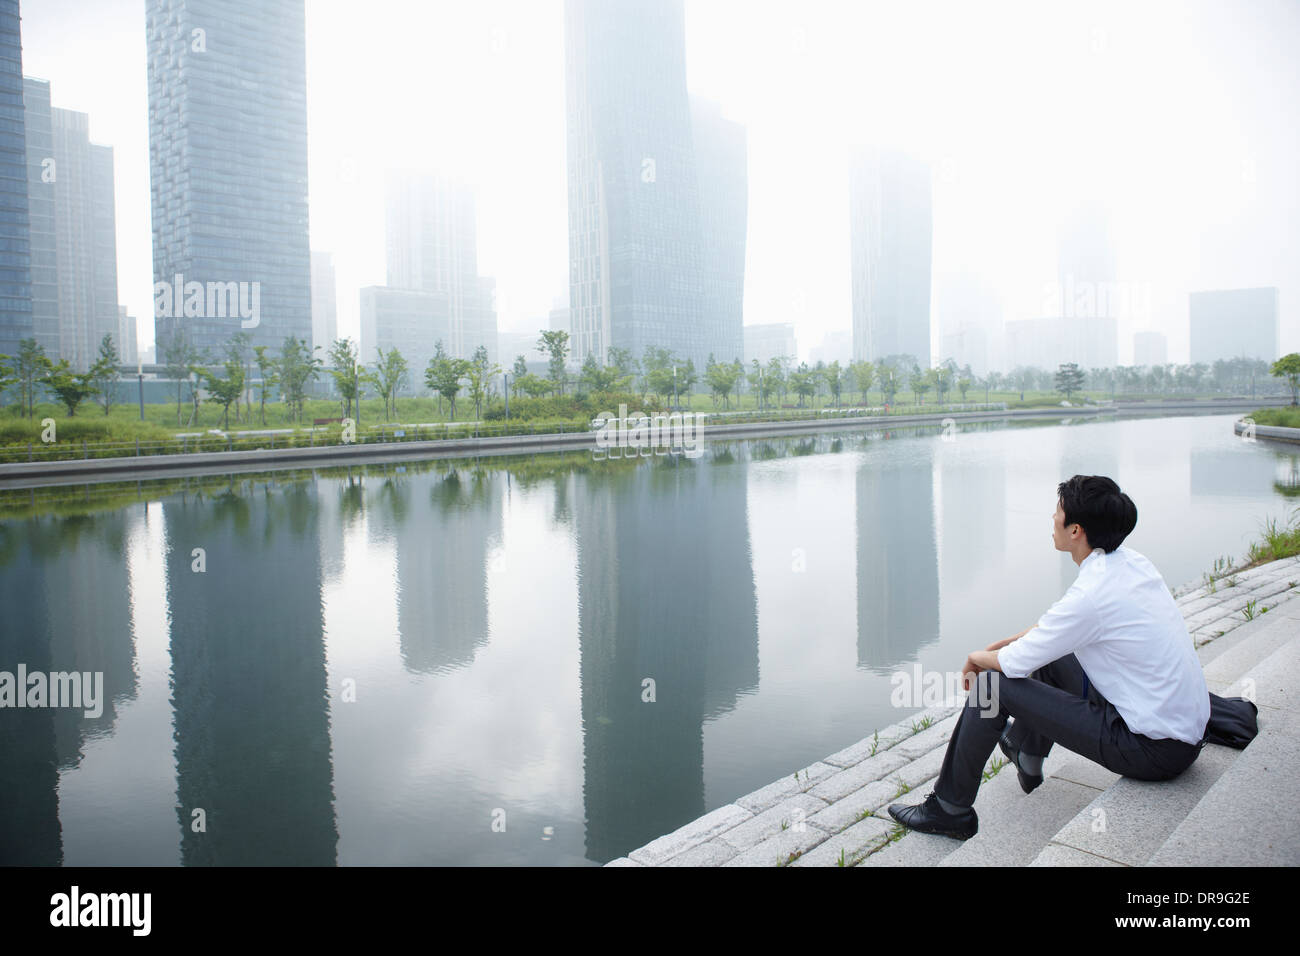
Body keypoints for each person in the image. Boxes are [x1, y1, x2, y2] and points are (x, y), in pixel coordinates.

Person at [888, 474, 1210, 840]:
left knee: (992, 686)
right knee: (1051, 656)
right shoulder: (1130, 564)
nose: (1052, 519)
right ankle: (1027, 752)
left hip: (1153, 752)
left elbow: (1014, 664)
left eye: (1057, 512)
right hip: (1181, 735)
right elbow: (1051, 632)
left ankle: (949, 809)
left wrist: (977, 658)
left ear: (1076, 530)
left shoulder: (1092, 593)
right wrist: (993, 647)